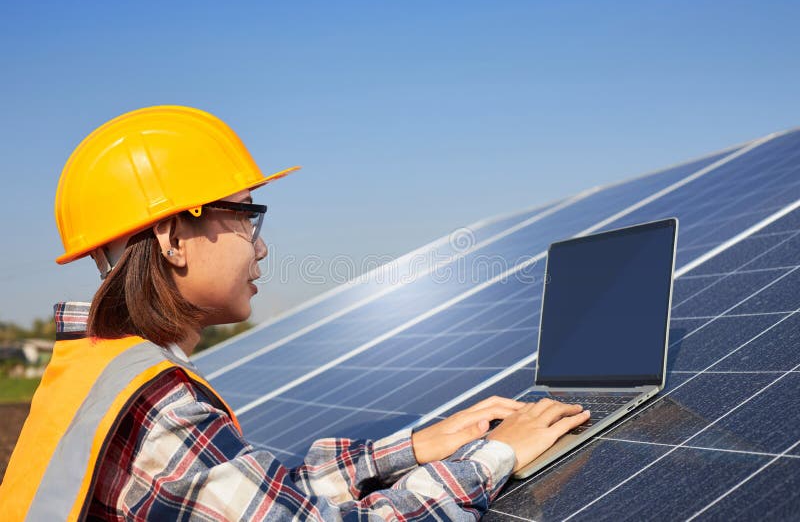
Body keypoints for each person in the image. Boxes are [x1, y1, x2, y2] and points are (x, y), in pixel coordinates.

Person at [0, 106, 589, 521]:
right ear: (172, 237)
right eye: (246, 216)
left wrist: (413, 447)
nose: (259, 246)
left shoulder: (99, 371)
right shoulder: (160, 410)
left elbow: (259, 500)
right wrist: (497, 454)